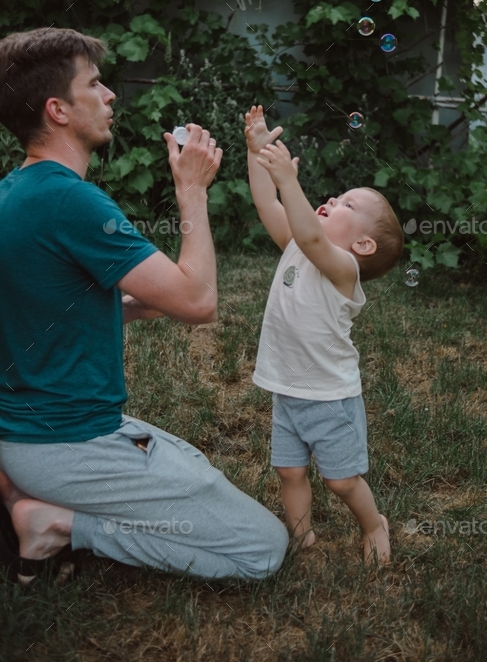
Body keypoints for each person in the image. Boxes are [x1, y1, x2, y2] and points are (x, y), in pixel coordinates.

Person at [0, 29, 288, 585]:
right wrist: (192, 192)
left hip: (29, 440)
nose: (110, 95)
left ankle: (31, 498)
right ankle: (57, 524)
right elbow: (199, 300)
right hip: (69, 445)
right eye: (95, 85)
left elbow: (33, 306)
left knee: (195, 466)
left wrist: (121, 307)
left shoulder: (15, 192)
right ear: (58, 110)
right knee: (262, 548)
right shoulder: (70, 200)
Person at [244, 105, 404, 564]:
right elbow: (267, 204)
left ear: (363, 246)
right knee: (288, 470)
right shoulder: (298, 245)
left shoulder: (342, 270)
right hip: (287, 390)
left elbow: (314, 237)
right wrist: (258, 155)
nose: (334, 200)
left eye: (347, 205)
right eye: (337, 196)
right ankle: (301, 535)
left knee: (341, 480)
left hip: (329, 396)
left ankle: (374, 524)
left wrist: (289, 181)